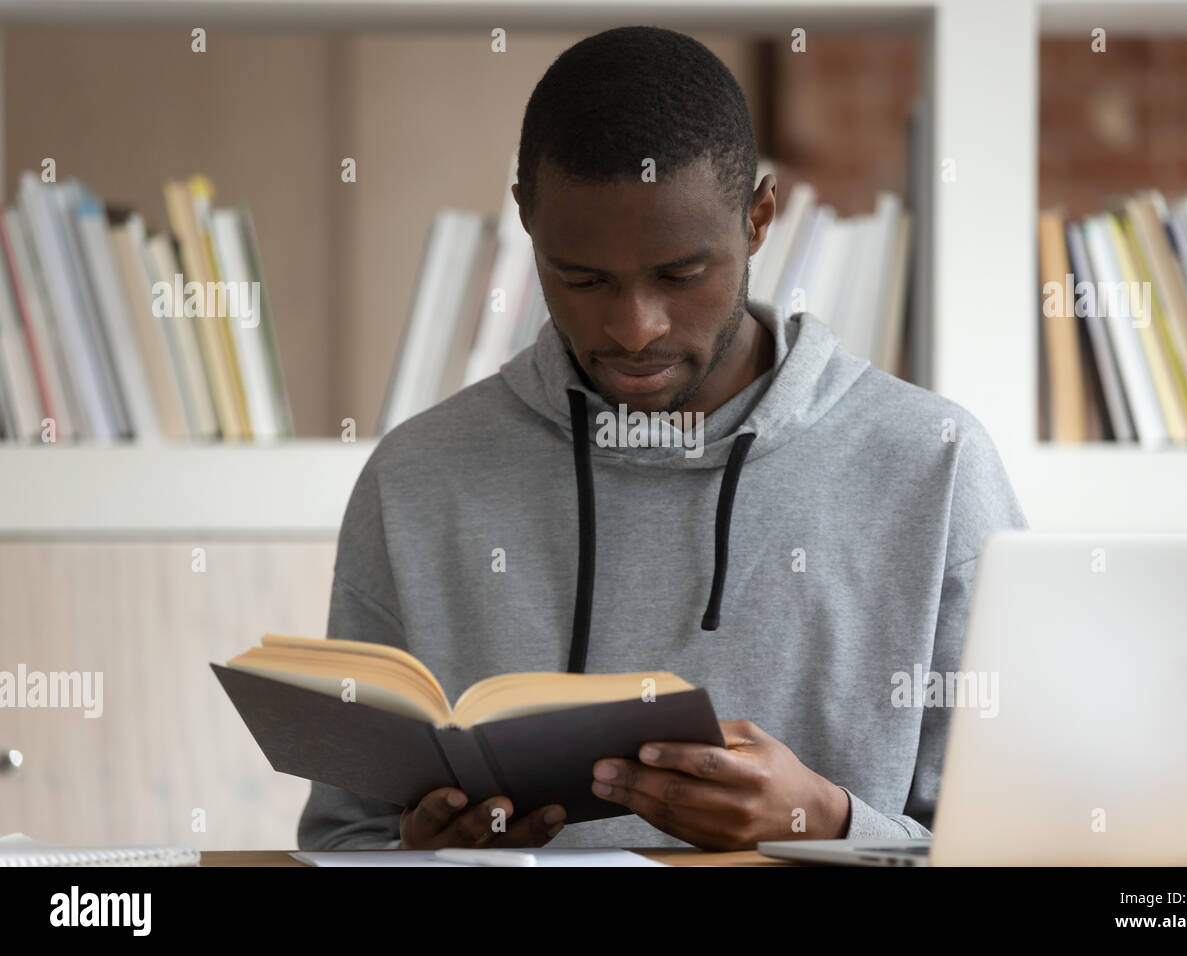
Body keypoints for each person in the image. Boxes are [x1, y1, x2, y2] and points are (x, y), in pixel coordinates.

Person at [298, 25, 1027, 852]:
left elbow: (1041, 844)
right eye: (581, 278)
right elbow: (343, 839)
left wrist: (823, 821)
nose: (634, 328)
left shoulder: (935, 465)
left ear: (759, 220)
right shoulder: (417, 478)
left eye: (681, 275)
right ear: (527, 223)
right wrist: (422, 854)